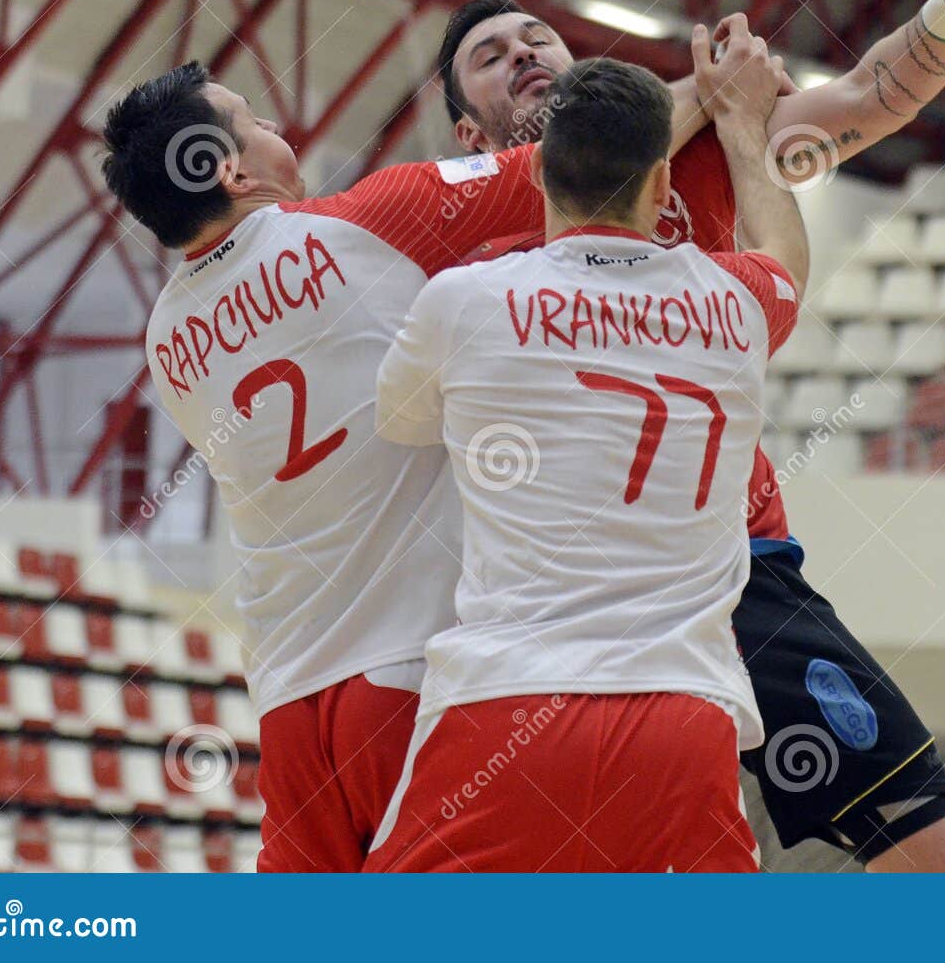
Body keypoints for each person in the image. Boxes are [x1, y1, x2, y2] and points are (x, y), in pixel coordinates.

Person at [432, 0, 945, 871]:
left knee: (933, 854)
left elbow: (871, 99)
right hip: (568, 608)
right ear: (470, 129)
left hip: (739, 568)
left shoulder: (716, 145)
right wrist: (712, 97)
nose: (521, 52)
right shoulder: (467, 229)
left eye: (537, 37)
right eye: (491, 54)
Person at [101, 49, 746, 871]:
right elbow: (573, 159)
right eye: (255, 122)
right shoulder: (367, 222)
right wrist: (718, 87)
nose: (276, 127)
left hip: (290, 697)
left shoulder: (165, 343)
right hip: (407, 672)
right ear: (226, 170)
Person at [368, 54, 807, 871]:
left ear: (533, 167)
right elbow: (784, 254)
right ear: (665, 184)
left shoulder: (462, 300)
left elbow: (401, 423)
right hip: (683, 715)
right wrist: (741, 124)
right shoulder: (740, 302)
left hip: (505, 702)